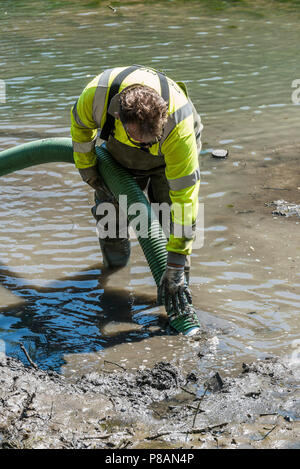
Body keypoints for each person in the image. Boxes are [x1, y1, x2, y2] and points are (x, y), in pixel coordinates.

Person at [70, 65, 203, 335]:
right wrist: (88, 168)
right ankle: (116, 280)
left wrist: (176, 262)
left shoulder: (179, 127)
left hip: (168, 159)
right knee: (110, 217)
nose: (145, 145)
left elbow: (186, 200)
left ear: (163, 116)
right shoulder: (96, 97)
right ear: (118, 117)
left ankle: (178, 301)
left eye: (149, 139)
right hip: (117, 158)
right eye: (138, 139)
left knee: (169, 218)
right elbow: (81, 129)